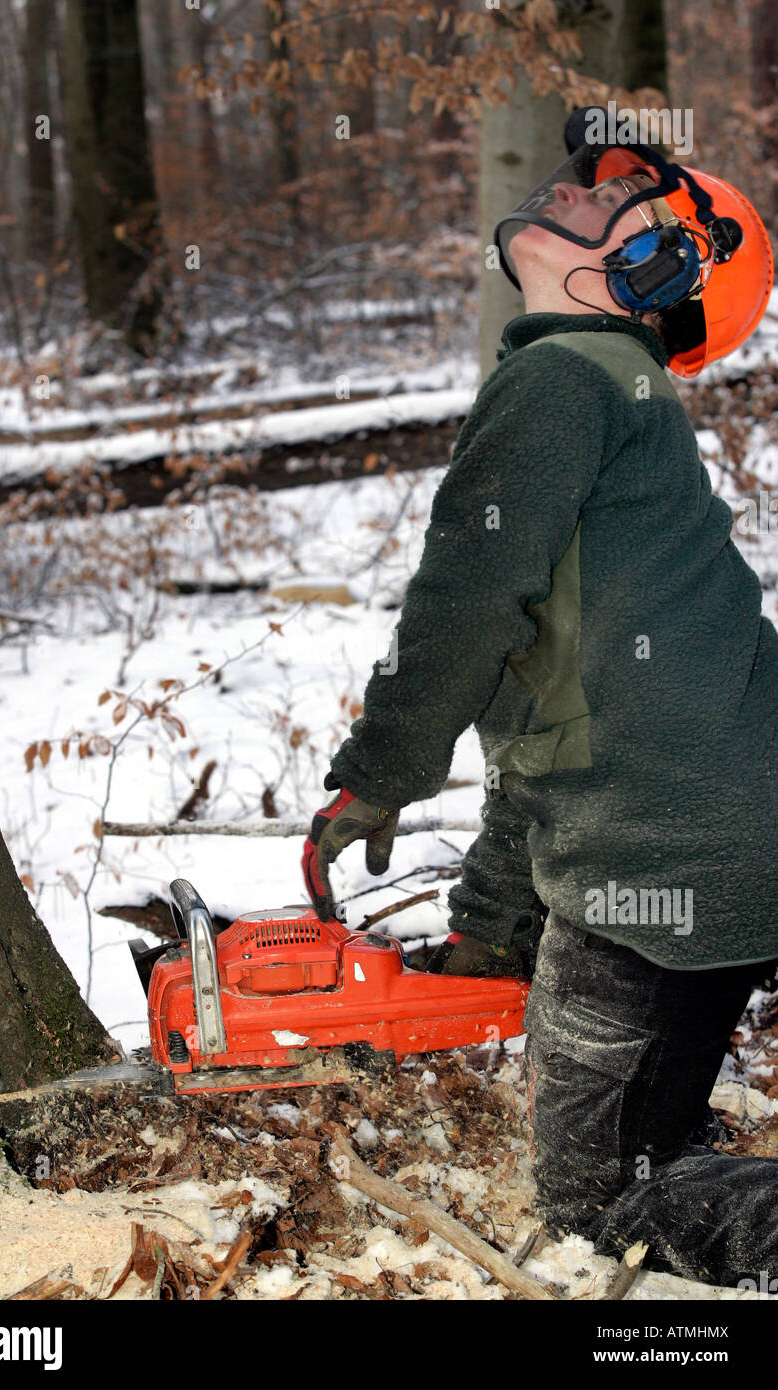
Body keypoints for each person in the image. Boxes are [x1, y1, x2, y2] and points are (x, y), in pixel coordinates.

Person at [302, 109, 777, 1288]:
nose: (569, 189)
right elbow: (554, 712)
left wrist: (381, 768)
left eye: (608, 197)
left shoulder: (562, 377)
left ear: (658, 266)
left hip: (664, 857)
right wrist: (490, 929)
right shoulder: (620, 402)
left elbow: (467, 601)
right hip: (711, 840)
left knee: (592, 1204)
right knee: (648, 1149)